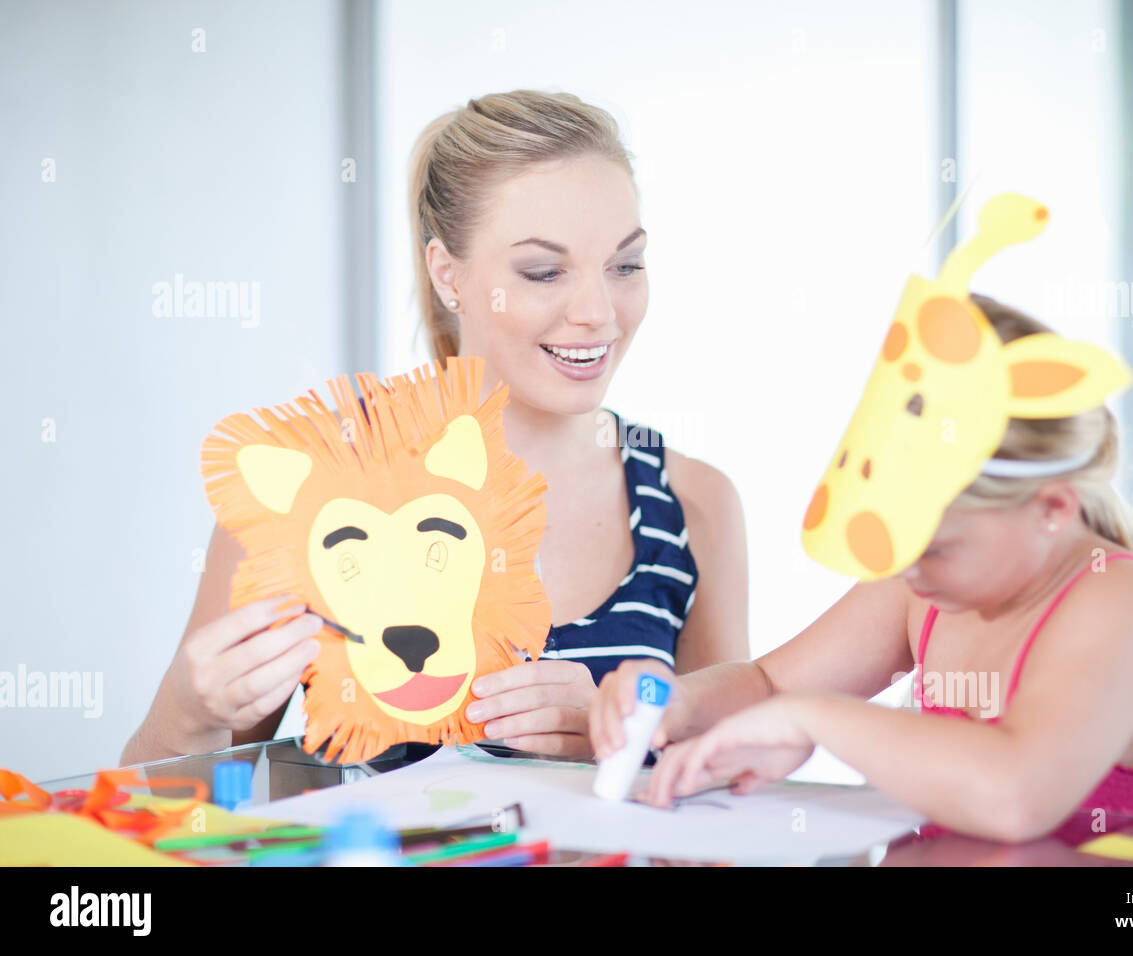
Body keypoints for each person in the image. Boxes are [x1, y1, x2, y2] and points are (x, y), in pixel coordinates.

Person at [122, 90, 748, 766]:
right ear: (448, 273)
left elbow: (726, 793)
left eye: (626, 265)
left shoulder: (691, 504)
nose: (598, 312)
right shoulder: (314, 487)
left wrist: (628, 747)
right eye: (543, 271)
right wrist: (191, 711)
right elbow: (161, 805)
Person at [590, 294, 1133, 843]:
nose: (906, 568)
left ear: (1053, 509)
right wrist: (676, 698)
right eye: (898, 542)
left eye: (933, 547)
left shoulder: (1118, 600)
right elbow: (771, 686)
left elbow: (1016, 797)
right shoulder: (927, 583)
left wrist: (811, 719)